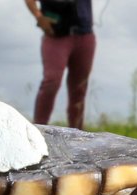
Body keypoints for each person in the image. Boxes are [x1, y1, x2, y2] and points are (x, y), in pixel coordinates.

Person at [24, 0, 96, 129]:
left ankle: (78, 135)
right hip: (55, 36)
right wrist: (39, 16)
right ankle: (38, 129)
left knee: (79, 88)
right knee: (51, 81)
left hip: (85, 34)